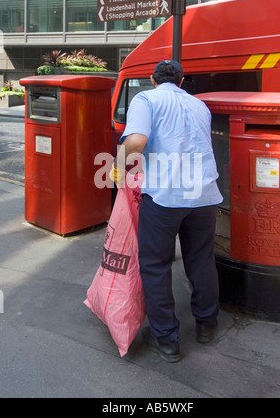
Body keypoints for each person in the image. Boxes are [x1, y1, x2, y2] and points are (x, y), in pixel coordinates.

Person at [110, 60, 223, 363]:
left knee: (155, 265)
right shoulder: (200, 106)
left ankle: (167, 339)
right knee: (201, 259)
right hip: (205, 195)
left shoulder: (146, 98)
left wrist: (116, 168)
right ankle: (206, 326)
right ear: (183, 80)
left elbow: (135, 141)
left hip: (165, 196)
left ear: (152, 79)